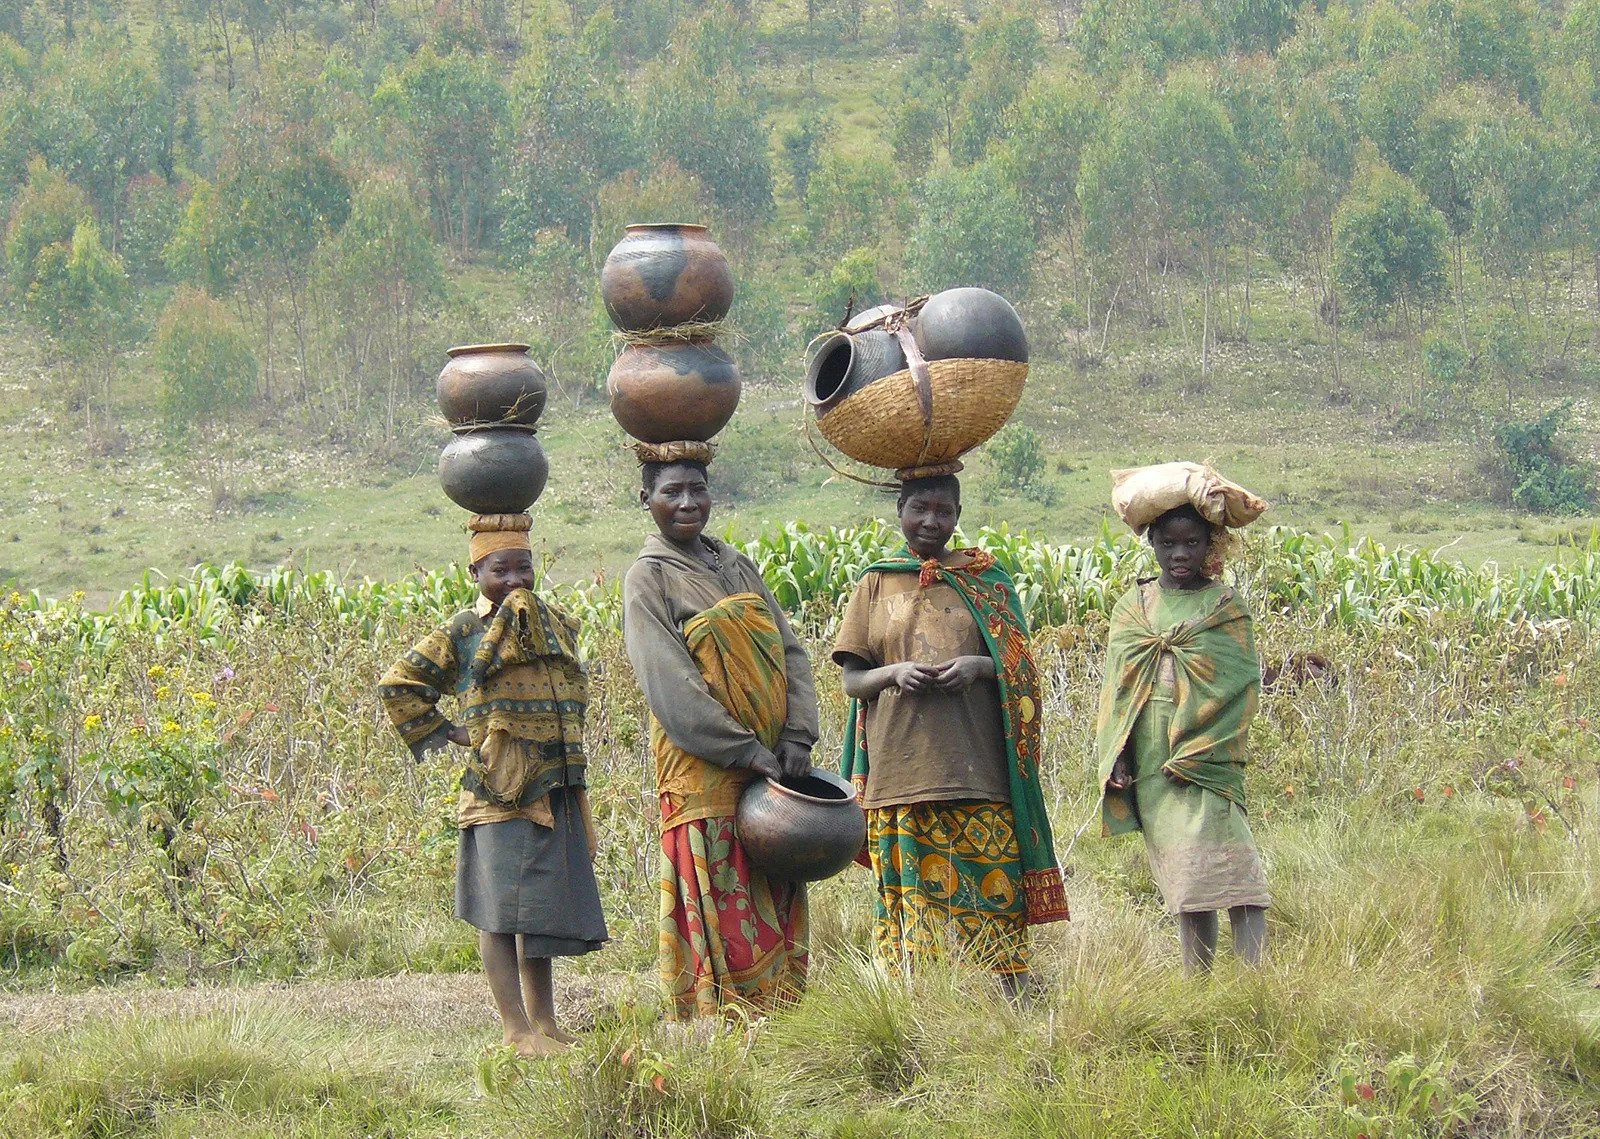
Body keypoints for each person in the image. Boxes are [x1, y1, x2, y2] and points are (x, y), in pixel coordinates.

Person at [378, 512, 605, 1057]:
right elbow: (398, 683)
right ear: (475, 572)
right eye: (500, 570)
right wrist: (454, 733)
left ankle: (544, 1025)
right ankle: (514, 1029)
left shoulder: (553, 623)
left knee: (538, 911)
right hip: (499, 790)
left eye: (523, 567)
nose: (514, 580)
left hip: (557, 786)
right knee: (500, 913)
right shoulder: (463, 631)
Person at [833, 472, 1068, 993]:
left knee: (995, 895)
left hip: (978, 771)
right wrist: (894, 673)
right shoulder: (876, 582)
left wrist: (979, 667)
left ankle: (1012, 1000)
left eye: (944, 511)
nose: (931, 521)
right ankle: (919, 1008)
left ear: (958, 515)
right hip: (901, 772)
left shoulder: (987, 580)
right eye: (919, 508)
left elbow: (1022, 667)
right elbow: (852, 680)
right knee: (913, 908)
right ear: (899, 510)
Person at [621, 449, 818, 1019]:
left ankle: (782, 1017)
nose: (687, 503)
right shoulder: (648, 578)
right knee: (720, 885)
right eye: (671, 492)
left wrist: (797, 736)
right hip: (705, 768)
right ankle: (725, 1019)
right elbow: (670, 686)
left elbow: (790, 652)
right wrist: (743, 749)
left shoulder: (736, 564)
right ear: (646, 500)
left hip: (774, 765)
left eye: (697, 490)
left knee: (773, 879)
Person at [1096, 496, 1271, 973]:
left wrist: (1198, 746)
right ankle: (1197, 985)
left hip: (1208, 755)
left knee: (1237, 870)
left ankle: (1257, 981)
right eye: (1168, 543)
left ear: (1209, 544)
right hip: (1153, 758)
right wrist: (1118, 755)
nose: (1179, 554)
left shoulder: (1224, 607)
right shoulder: (1134, 607)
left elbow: (1239, 686)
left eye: (1191, 543)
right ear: (1151, 542)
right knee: (1186, 880)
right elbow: (1116, 691)